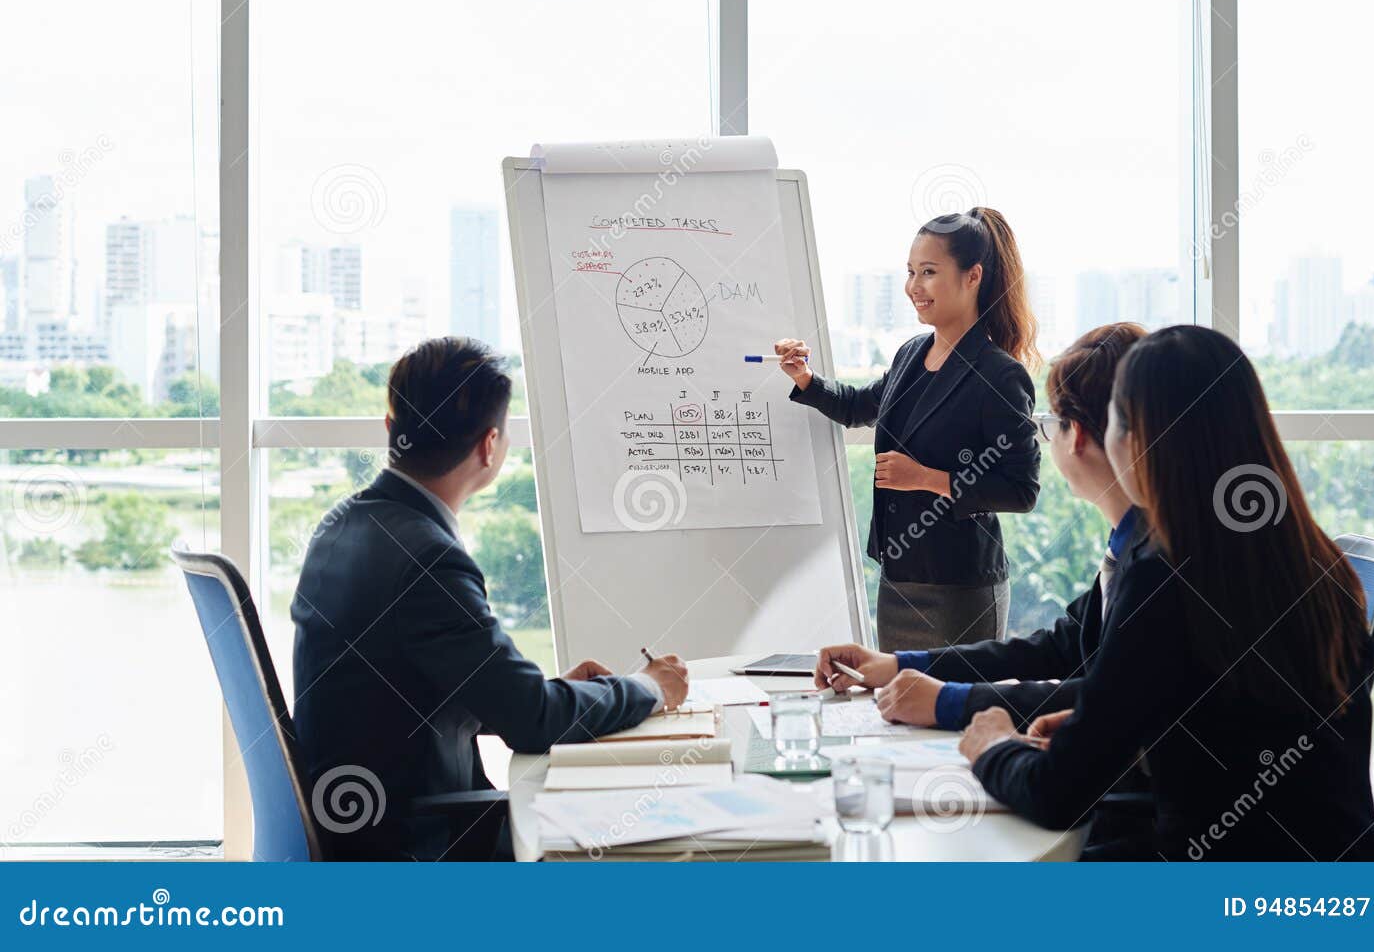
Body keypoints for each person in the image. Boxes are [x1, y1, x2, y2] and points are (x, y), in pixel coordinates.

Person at [958, 325, 1374, 861]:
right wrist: (1110, 729)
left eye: (1112, 419)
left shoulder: (1165, 575)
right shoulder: (1311, 557)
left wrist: (992, 745)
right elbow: (1240, 718)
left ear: (1138, 439)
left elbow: (1055, 796)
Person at [291, 337, 689, 860]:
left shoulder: (344, 525)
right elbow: (534, 723)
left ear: (392, 429)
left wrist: (527, 694)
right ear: (489, 446)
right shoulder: (428, 558)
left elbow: (399, 686)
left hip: (358, 825)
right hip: (419, 842)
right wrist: (647, 686)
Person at [812, 322, 1149, 731]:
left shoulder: (1155, 565)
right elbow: (1062, 648)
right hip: (902, 576)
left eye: (1051, 424)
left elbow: (1107, 697)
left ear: (1074, 434)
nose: (915, 286)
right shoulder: (1131, 547)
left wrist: (951, 702)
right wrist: (897, 664)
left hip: (959, 579)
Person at [773, 207, 1041, 650]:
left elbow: (1021, 489)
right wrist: (805, 377)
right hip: (898, 578)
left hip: (960, 588)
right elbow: (859, 406)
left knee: (945, 713)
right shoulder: (911, 354)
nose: (913, 287)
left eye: (929, 272)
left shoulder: (999, 375)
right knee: (897, 709)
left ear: (972, 277)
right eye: (911, 271)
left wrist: (927, 479)